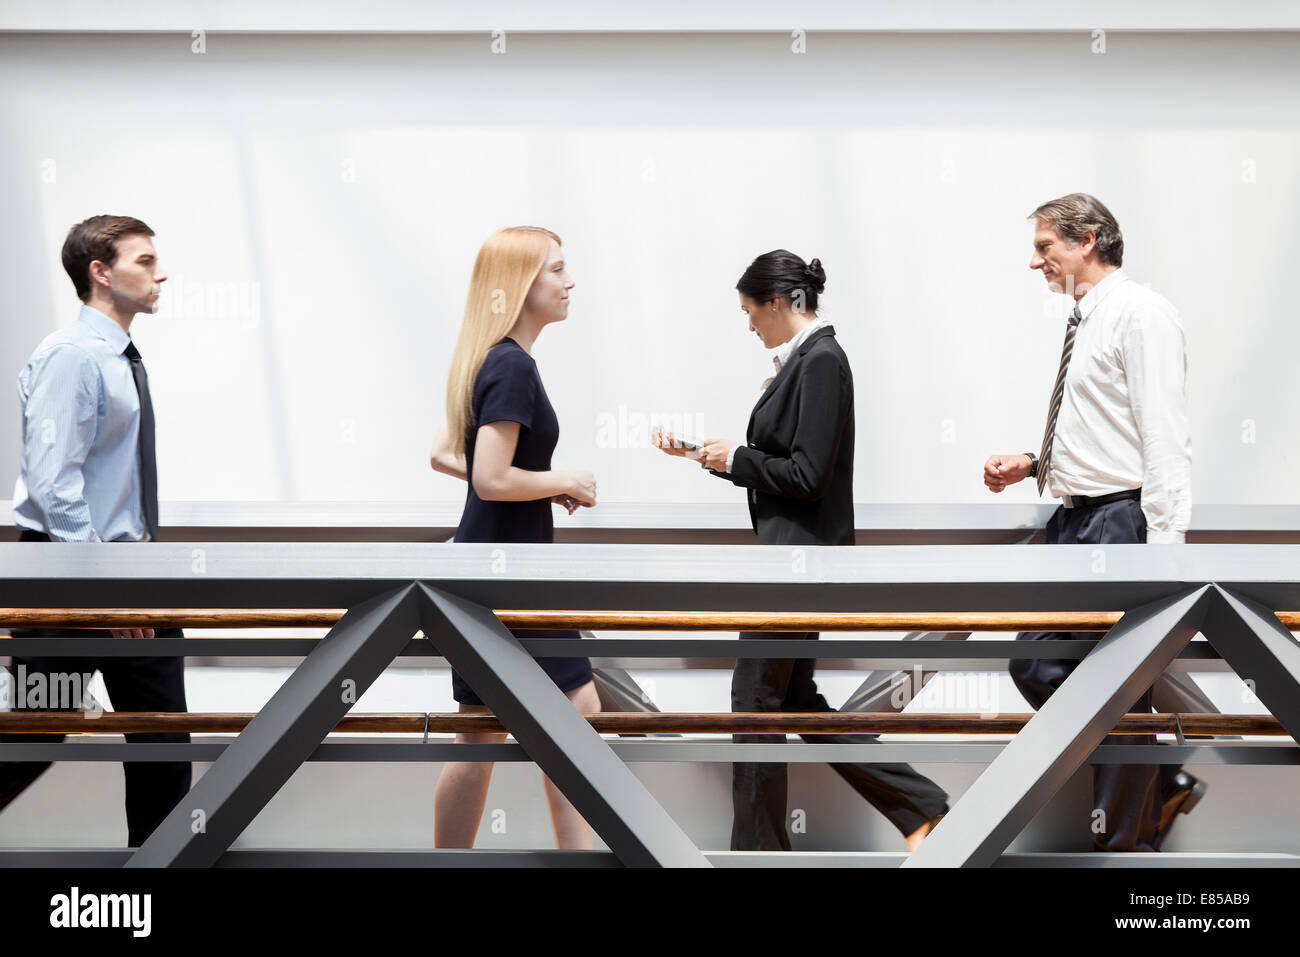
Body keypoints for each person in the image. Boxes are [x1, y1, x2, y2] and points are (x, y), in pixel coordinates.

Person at [653, 249, 949, 852]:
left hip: (798, 561)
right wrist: (716, 458)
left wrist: (737, 459)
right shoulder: (810, 360)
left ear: (782, 301)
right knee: (792, 701)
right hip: (794, 558)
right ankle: (921, 807)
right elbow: (788, 464)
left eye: (751, 312)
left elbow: (809, 473)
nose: (750, 325)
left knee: (755, 700)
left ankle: (759, 858)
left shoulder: (820, 361)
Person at [983, 192, 1203, 851]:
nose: (1034, 262)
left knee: (1104, 676)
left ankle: (1127, 841)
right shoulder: (1086, 319)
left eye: (1045, 246)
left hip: (1117, 525)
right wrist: (1032, 461)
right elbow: (1108, 431)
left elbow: (1164, 440)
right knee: (1045, 664)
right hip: (1076, 520)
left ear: (1088, 241)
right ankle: (1156, 787)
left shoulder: (1141, 315)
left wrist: (1164, 552)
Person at [0, 214, 191, 847]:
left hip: (129, 568)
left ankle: (154, 878)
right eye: (143, 261)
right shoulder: (72, 356)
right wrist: (104, 590)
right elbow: (57, 485)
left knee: (164, 740)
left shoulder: (118, 357)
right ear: (100, 273)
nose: (159, 273)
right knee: (31, 733)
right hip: (73, 571)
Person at [429, 226, 600, 849]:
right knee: (570, 714)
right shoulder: (511, 365)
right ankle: (576, 857)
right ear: (522, 286)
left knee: (490, 729)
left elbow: (451, 458)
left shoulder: (497, 357)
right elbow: (490, 476)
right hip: (506, 578)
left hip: (499, 569)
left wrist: (537, 484)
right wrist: (562, 478)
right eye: (557, 270)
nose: (569, 281)